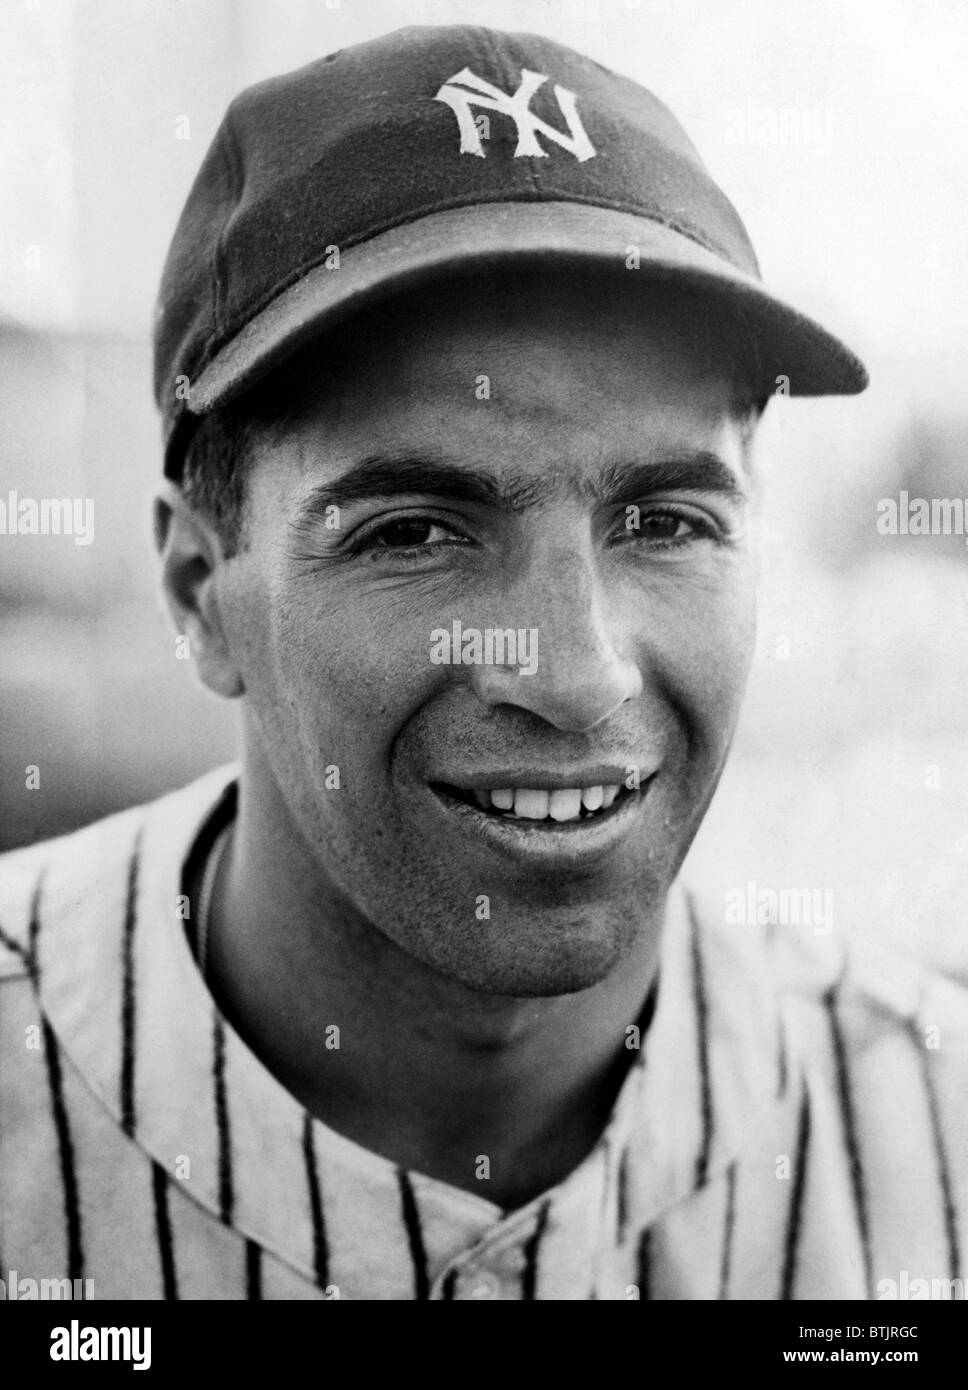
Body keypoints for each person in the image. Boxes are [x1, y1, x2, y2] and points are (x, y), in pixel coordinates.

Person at [1, 23, 964, 1302]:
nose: (573, 674)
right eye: (414, 531)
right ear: (199, 591)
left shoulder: (929, 1133)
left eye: (666, 522)